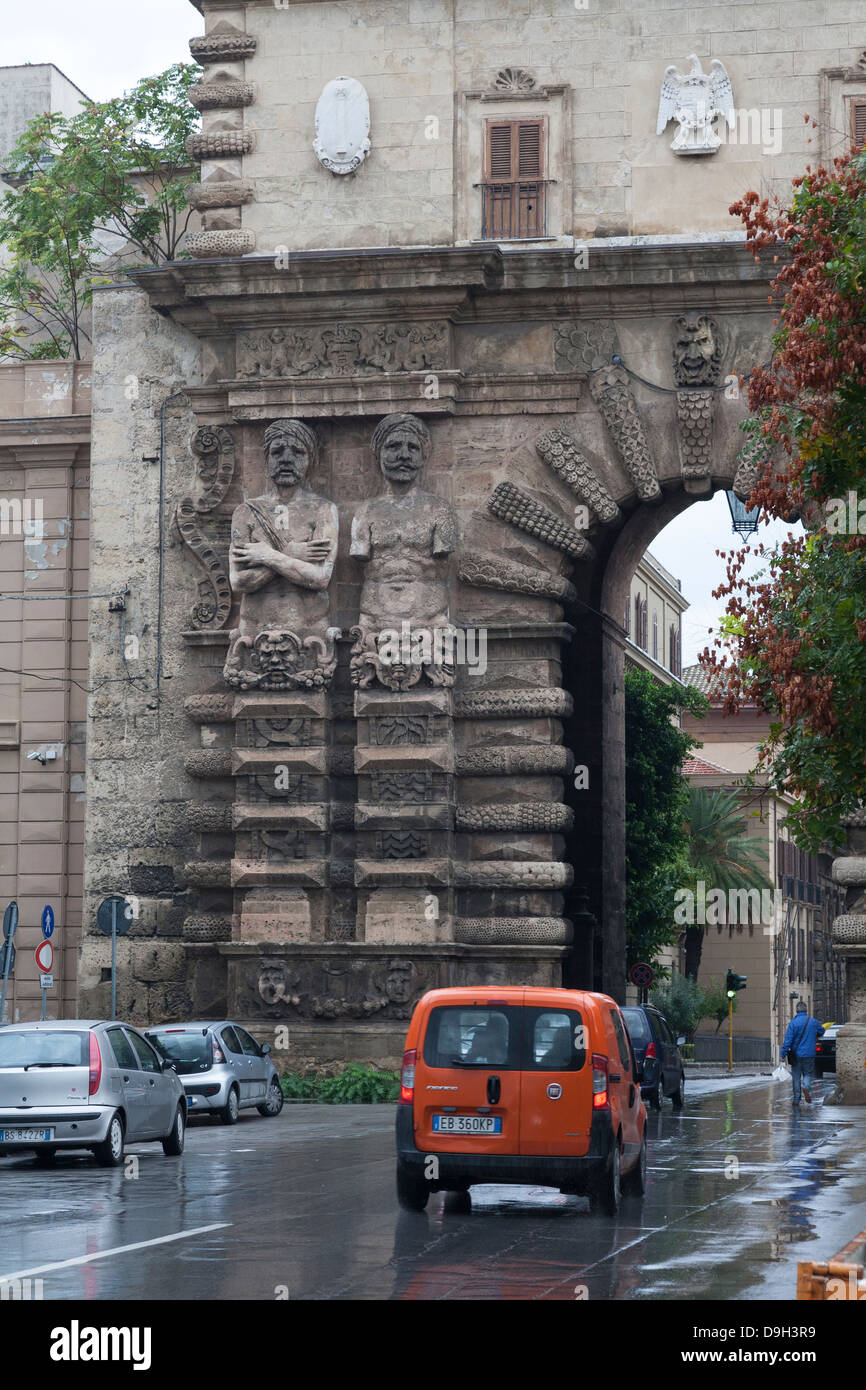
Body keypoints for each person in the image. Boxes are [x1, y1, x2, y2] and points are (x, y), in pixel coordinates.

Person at [781, 1002, 824, 1107]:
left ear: (796, 1011)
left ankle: (796, 1099)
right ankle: (806, 1087)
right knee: (808, 1074)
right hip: (809, 1053)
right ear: (806, 1011)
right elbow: (822, 1031)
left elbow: (788, 1041)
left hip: (796, 1055)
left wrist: (783, 1054)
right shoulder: (813, 1022)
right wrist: (816, 1033)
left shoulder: (793, 1023)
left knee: (796, 1077)